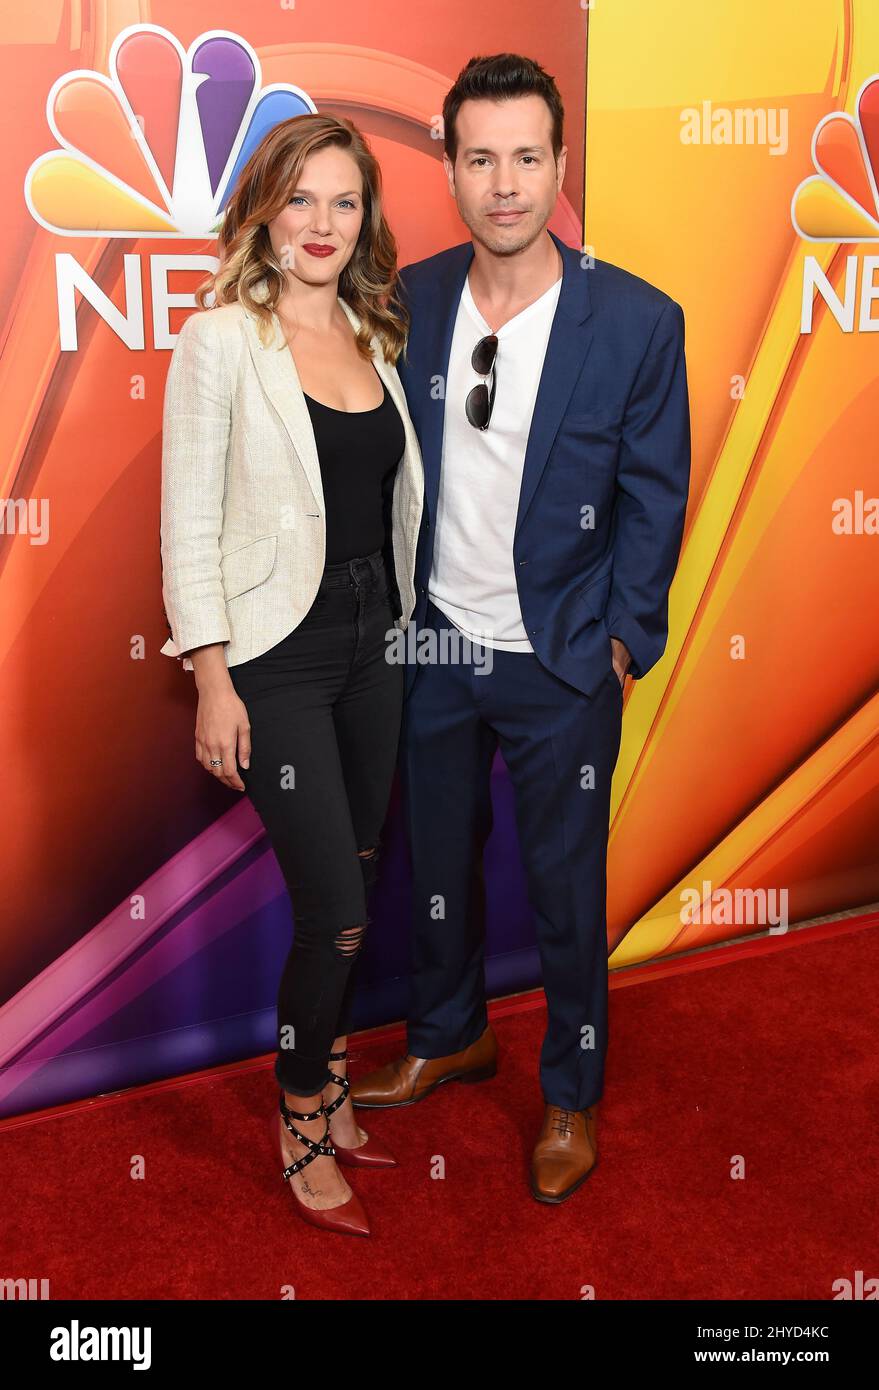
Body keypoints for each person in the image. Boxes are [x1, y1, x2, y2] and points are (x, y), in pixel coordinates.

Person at [350, 54, 691, 1205]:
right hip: (437, 646)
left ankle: (570, 1091)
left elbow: (654, 494)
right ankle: (449, 1031)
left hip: (561, 656)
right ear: (449, 167)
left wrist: (622, 637)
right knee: (435, 866)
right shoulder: (414, 299)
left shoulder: (637, 320)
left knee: (564, 890)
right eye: (481, 157)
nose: (505, 184)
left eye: (528, 157)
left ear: (560, 165)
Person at [159, 113, 424, 1236]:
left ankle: (324, 1080)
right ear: (266, 210)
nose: (323, 222)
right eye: (302, 198)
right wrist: (213, 678)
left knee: (360, 872)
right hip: (277, 653)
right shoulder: (221, 339)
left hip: (378, 642)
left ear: (365, 219)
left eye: (345, 201)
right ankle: (301, 1113)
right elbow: (186, 528)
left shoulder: (374, 331)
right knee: (340, 913)